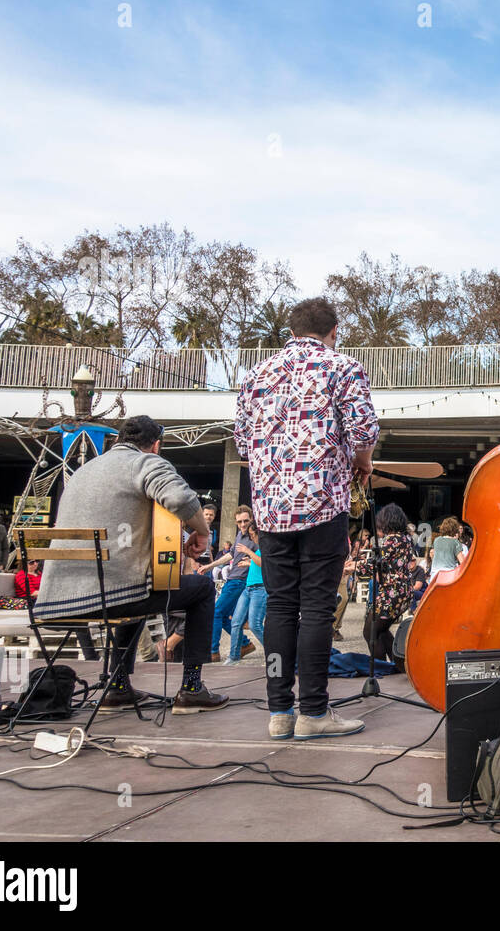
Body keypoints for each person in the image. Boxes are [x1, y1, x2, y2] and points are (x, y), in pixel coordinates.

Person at [236, 296, 378, 741]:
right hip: (322, 502)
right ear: (334, 330)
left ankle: (279, 711)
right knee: (317, 607)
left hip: (271, 509)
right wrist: (365, 462)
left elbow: (242, 443)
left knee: (280, 606)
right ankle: (313, 711)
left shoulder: (257, 374)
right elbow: (364, 432)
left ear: (291, 329)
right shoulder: (342, 366)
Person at [36, 415, 228, 714]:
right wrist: (202, 531)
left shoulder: (84, 471)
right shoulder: (145, 463)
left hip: (57, 601)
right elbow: (179, 499)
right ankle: (192, 688)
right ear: (156, 445)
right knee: (201, 586)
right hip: (111, 597)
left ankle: (117, 686)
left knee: (135, 584)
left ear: (117, 441)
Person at [355, 504, 418, 664]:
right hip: (402, 592)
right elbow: (386, 562)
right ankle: (397, 667)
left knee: (370, 632)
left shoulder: (393, 539)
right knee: (381, 631)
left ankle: (380, 668)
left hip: (392, 593)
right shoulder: (406, 538)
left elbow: (376, 563)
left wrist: (353, 567)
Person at [204, 505, 257, 661]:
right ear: (235, 522)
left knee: (216, 612)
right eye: (239, 521)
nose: (243, 524)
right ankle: (245, 644)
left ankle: (213, 652)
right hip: (232, 579)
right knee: (226, 616)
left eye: (246, 521)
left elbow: (264, 557)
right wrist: (210, 565)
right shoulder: (240, 535)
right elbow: (230, 555)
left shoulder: (255, 536)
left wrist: (250, 560)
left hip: (239, 581)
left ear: (251, 519)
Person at [223, 519, 265, 664]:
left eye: (253, 535)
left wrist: (248, 552)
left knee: (255, 624)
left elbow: (264, 563)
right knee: (236, 621)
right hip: (249, 588)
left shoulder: (267, 547)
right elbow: (258, 562)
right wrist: (249, 562)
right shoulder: (259, 548)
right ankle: (233, 657)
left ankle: (277, 653)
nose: (252, 538)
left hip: (261, 589)